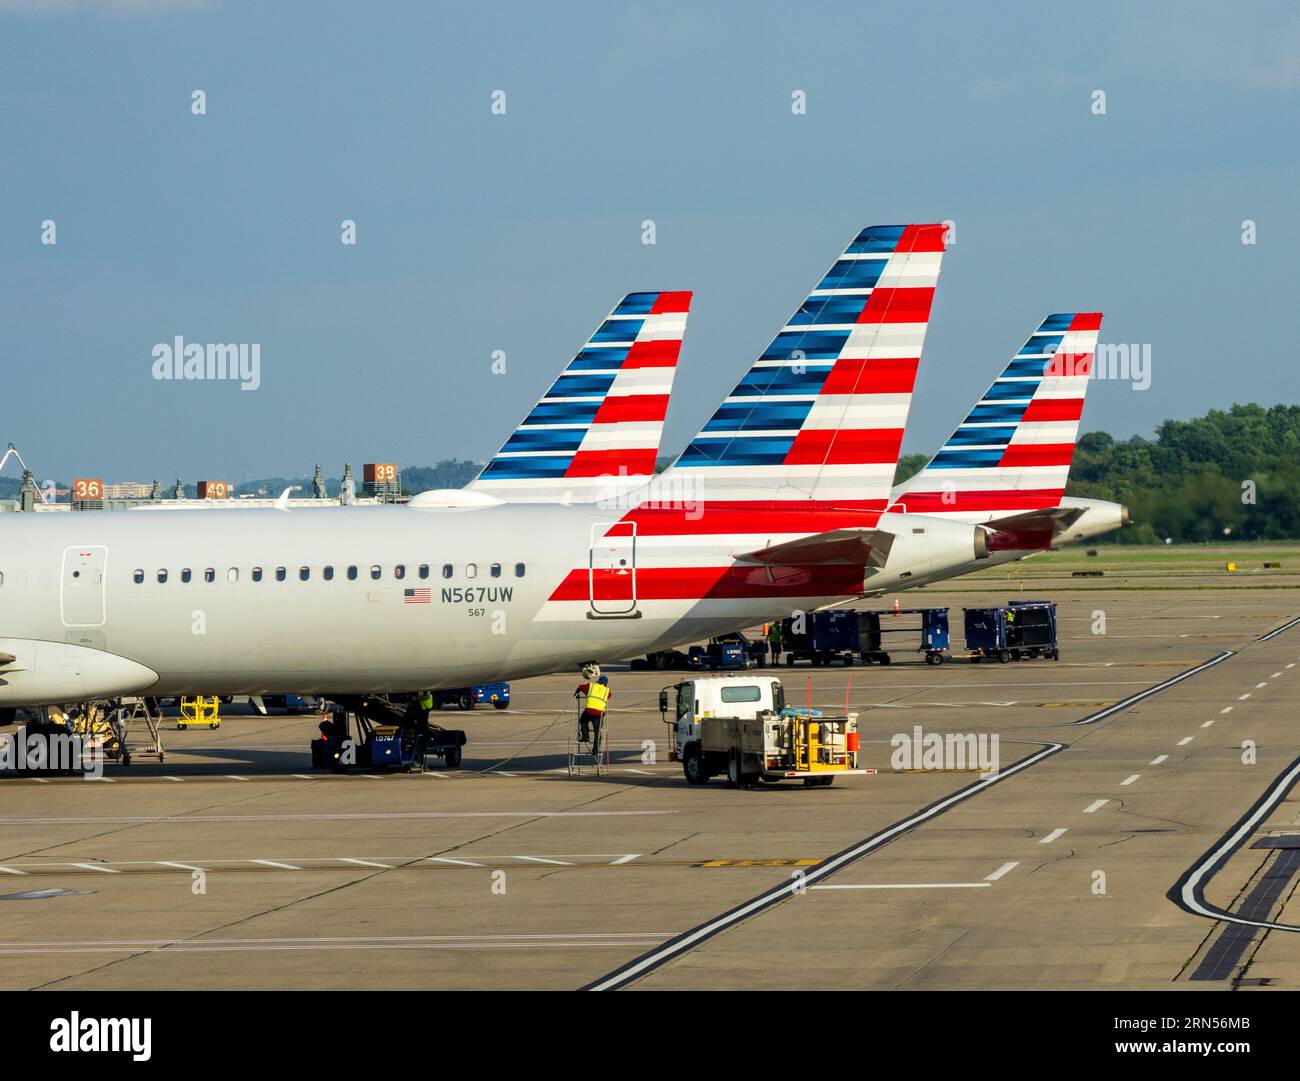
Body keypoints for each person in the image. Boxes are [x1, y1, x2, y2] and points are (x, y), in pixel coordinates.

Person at [574, 664, 611, 755]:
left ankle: (585, 736)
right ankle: (596, 750)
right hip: (599, 713)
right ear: (606, 683)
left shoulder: (591, 686)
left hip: (589, 710)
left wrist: (576, 694)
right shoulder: (607, 691)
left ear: (598, 681)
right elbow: (608, 697)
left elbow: (580, 687)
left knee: (582, 721)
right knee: (597, 732)